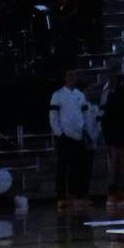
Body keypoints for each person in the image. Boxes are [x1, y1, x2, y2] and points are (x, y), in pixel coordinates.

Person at [50, 70, 92, 204]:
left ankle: (77, 194)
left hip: (78, 136)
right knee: (62, 167)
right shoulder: (57, 95)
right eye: (69, 75)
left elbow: (84, 115)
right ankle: (61, 196)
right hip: (64, 136)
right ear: (65, 78)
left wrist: (86, 131)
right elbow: (53, 116)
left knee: (78, 167)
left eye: (74, 75)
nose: (72, 78)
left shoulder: (80, 95)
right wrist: (59, 133)